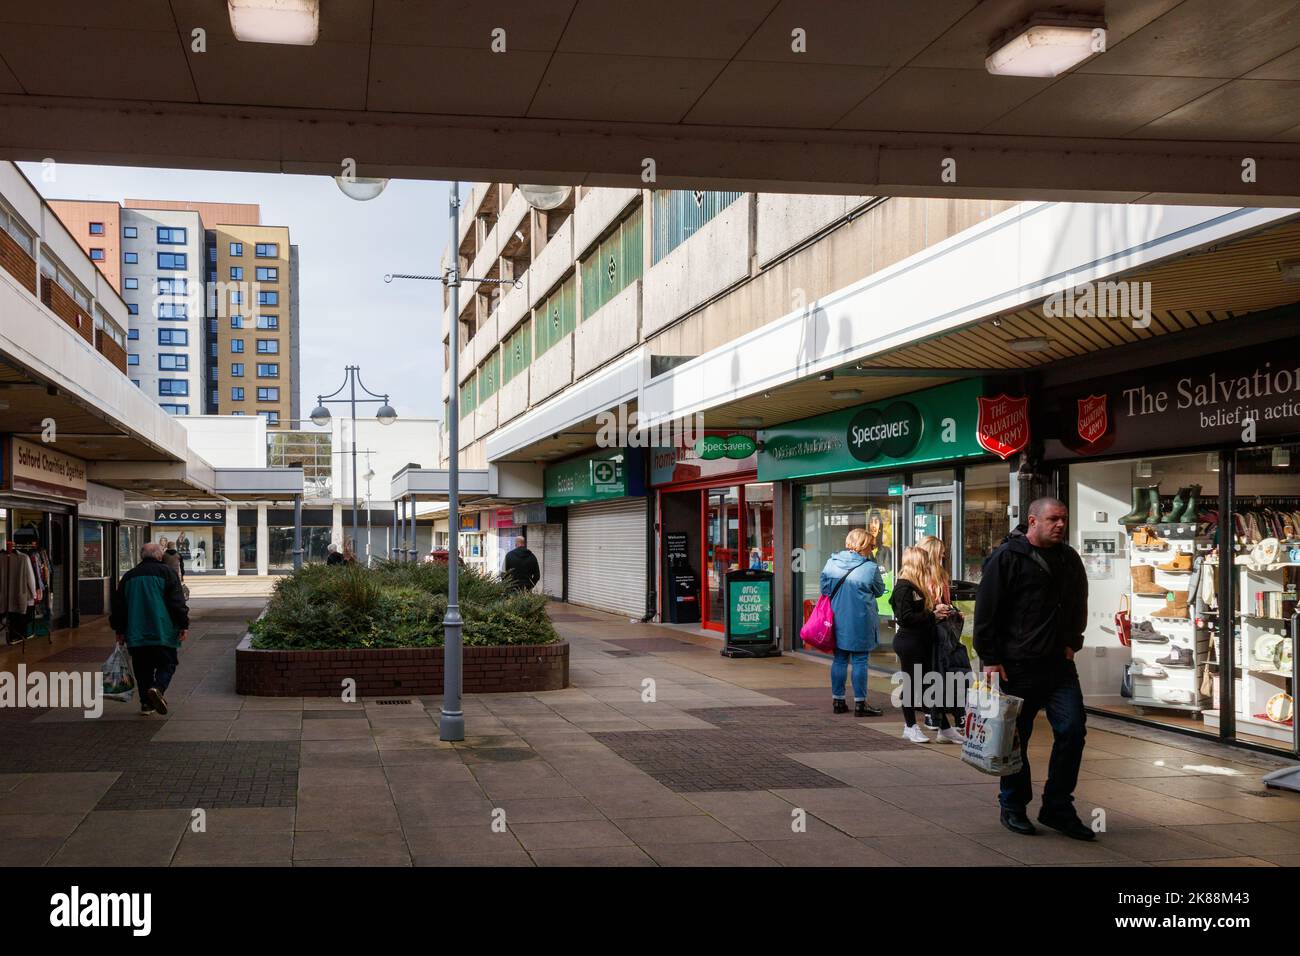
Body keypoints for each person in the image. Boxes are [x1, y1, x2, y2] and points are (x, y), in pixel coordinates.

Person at [974, 497, 1092, 840]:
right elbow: (987, 610)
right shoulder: (1006, 558)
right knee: (1015, 740)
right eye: (1053, 519)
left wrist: (1073, 642)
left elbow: (1078, 603)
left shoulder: (1069, 558)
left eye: (1063, 519)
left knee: (1072, 730)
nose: (1060, 525)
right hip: (1016, 666)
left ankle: (1057, 805)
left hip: (1058, 666)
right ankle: (1012, 804)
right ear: (1033, 521)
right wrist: (991, 658)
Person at [891, 545, 964, 744]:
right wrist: (932, 614)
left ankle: (944, 728)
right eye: (924, 562)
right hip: (909, 642)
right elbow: (905, 618)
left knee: (929, 684)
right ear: (916, 563)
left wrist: (937, 611)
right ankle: (910, 726)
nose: (927, 566)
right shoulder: (904, 587)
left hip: (920, 640)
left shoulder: (914, 586)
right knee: (912, 684)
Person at [109, 542, 188, 716]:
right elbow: (177, 603)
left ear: (141, 556)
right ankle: (157, 688)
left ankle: (146, 704)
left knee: (142, 668)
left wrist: (119, 630)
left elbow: (119, 606)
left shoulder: (129, 576)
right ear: (159, 556)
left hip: (136, 633)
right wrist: (183, 624)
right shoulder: (167, 573)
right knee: (167, 664)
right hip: (163, 631)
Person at [819, 528, 887, 717]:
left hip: (835, 618)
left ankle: (838, 701)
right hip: (861, 619)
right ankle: (860, 704)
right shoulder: (869, 568)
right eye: (872, 546)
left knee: (839, 659)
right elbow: (880, 590)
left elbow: (824, 588)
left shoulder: (831, 563)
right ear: (864, 546)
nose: (873, 549)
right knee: (860, 660)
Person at [919, 534, 967, 735]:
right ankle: (948, 715)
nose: (944, 556)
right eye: (941, 553)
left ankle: (947, 716)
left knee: (949, 671)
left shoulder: (939, 575)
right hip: (937, 632)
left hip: (945, 629)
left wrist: (953, 610)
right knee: (944, 671)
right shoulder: (923, 576)